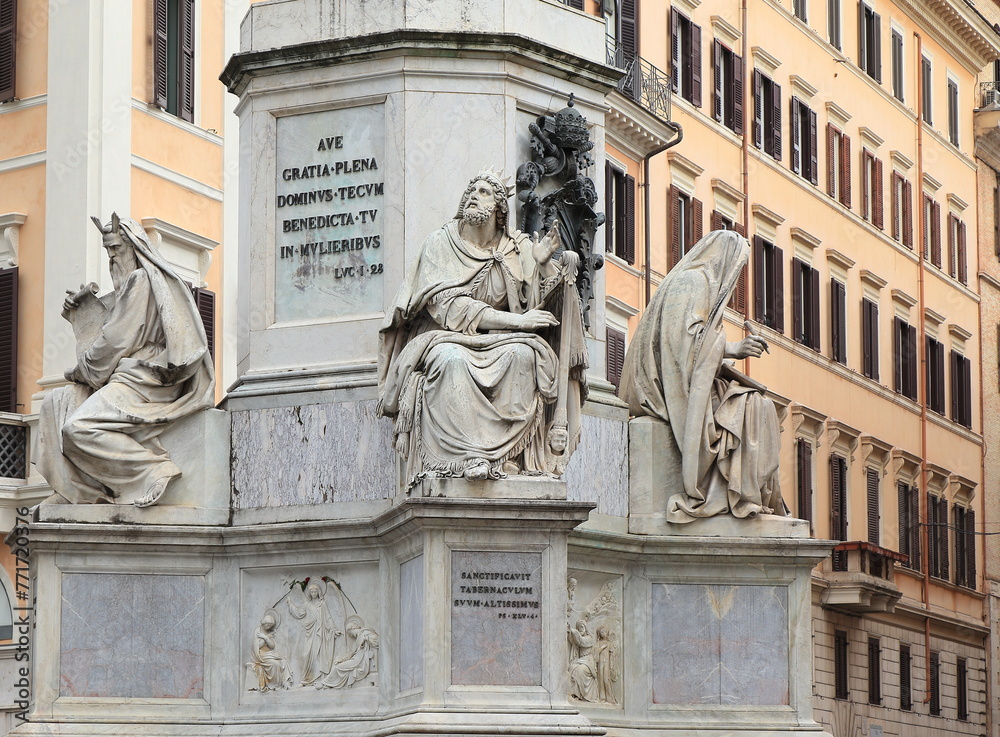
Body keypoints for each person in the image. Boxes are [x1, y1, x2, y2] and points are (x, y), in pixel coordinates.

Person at [378, 169, 588, 484]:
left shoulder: (515, 247)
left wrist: (543, 263)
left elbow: (540, 303)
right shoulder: (441, 243)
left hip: (504, 341)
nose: (474, 196)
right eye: (471, 191)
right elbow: (450, 308)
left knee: (523, 356)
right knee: (452, 361)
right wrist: (517, 321)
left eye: (484, 192)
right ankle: (465, 457)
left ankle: (503, 457)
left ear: (500, 208)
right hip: (447, 337)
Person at [36, 214, 215, 507]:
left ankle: (153, 469)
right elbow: (112, 330)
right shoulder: (130, 286)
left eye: (117, 249)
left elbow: (115, 341)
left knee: (79, 426)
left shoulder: (140, 280)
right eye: (108, 251)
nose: (112, 257)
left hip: (147, 376)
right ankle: (79, 489)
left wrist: (81, 371)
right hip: (124, 373)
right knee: (54, 404)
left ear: (134, 247)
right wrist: (82, 310)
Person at [620, 230, 786, 522]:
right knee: (755, 409)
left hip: (690, 380)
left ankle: (747, 494)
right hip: (668, 388)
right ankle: (740, 494)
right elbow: (681, 343)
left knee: (757, 406)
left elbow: (693, 345)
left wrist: (728, 353)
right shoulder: (692, 283)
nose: (737, 275)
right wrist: (733, 348)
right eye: (739, 266)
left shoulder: (700, 285)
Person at [287, 581, 340, 686]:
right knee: (306, 654)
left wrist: (333, 629)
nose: (313, 593)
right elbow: (299, 613)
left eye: (315, 591)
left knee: (318, 655)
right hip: (309, 632)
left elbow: (328, 617)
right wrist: (290, 604)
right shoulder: (307, 604)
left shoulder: (322, 604)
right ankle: (306, 679)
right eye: (311, 591)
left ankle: (317, 679)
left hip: (320, 632)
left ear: (319, 592)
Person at [317, 615, 379, 689]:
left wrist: (365, 638)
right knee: (338, 663)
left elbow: (377, 640)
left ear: (352, 629)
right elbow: (351, 652)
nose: (350, 635)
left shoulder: (365, 632)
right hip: (355, 659)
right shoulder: (357, 640)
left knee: (338, 668)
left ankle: (325, 683)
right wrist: (341, 659)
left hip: (359, 661)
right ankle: (327, 684)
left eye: (349, 633)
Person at [248, 609, 293, 692]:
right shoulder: (258, 631)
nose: (269, 627)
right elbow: (257, 646)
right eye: (268, 625)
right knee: (275, 664)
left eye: (270, 626)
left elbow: (272, 645)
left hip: (269, 653)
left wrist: (266, 637)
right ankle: (276, 685)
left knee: (283, 661)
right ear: (264, 623)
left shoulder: (269, 632)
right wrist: (266, 638)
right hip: (260, 654)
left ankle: (286, 683)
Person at [567, 619, 598, 701]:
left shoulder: (589, 638)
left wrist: (573, 631)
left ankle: (582, 695)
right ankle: (574, 694)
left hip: (588, 662)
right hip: (580, 660)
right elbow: (573, 640)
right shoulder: (579, 638)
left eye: (582, 627)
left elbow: (581, 641)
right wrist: (569, 630)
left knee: (580, 670)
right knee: (572, 668)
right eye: (579, 628)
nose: (581, 629)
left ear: (586, 627)